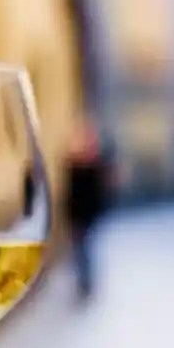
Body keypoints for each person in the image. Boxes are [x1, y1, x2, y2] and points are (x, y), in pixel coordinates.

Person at [66, 118, 113, 299]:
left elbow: (97, 195)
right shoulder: (74, 166)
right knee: (80, 252)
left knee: (85, 252)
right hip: (77, 217)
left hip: (86, 217)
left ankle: (86, 284)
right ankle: (84, 283)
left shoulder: (93, 169)